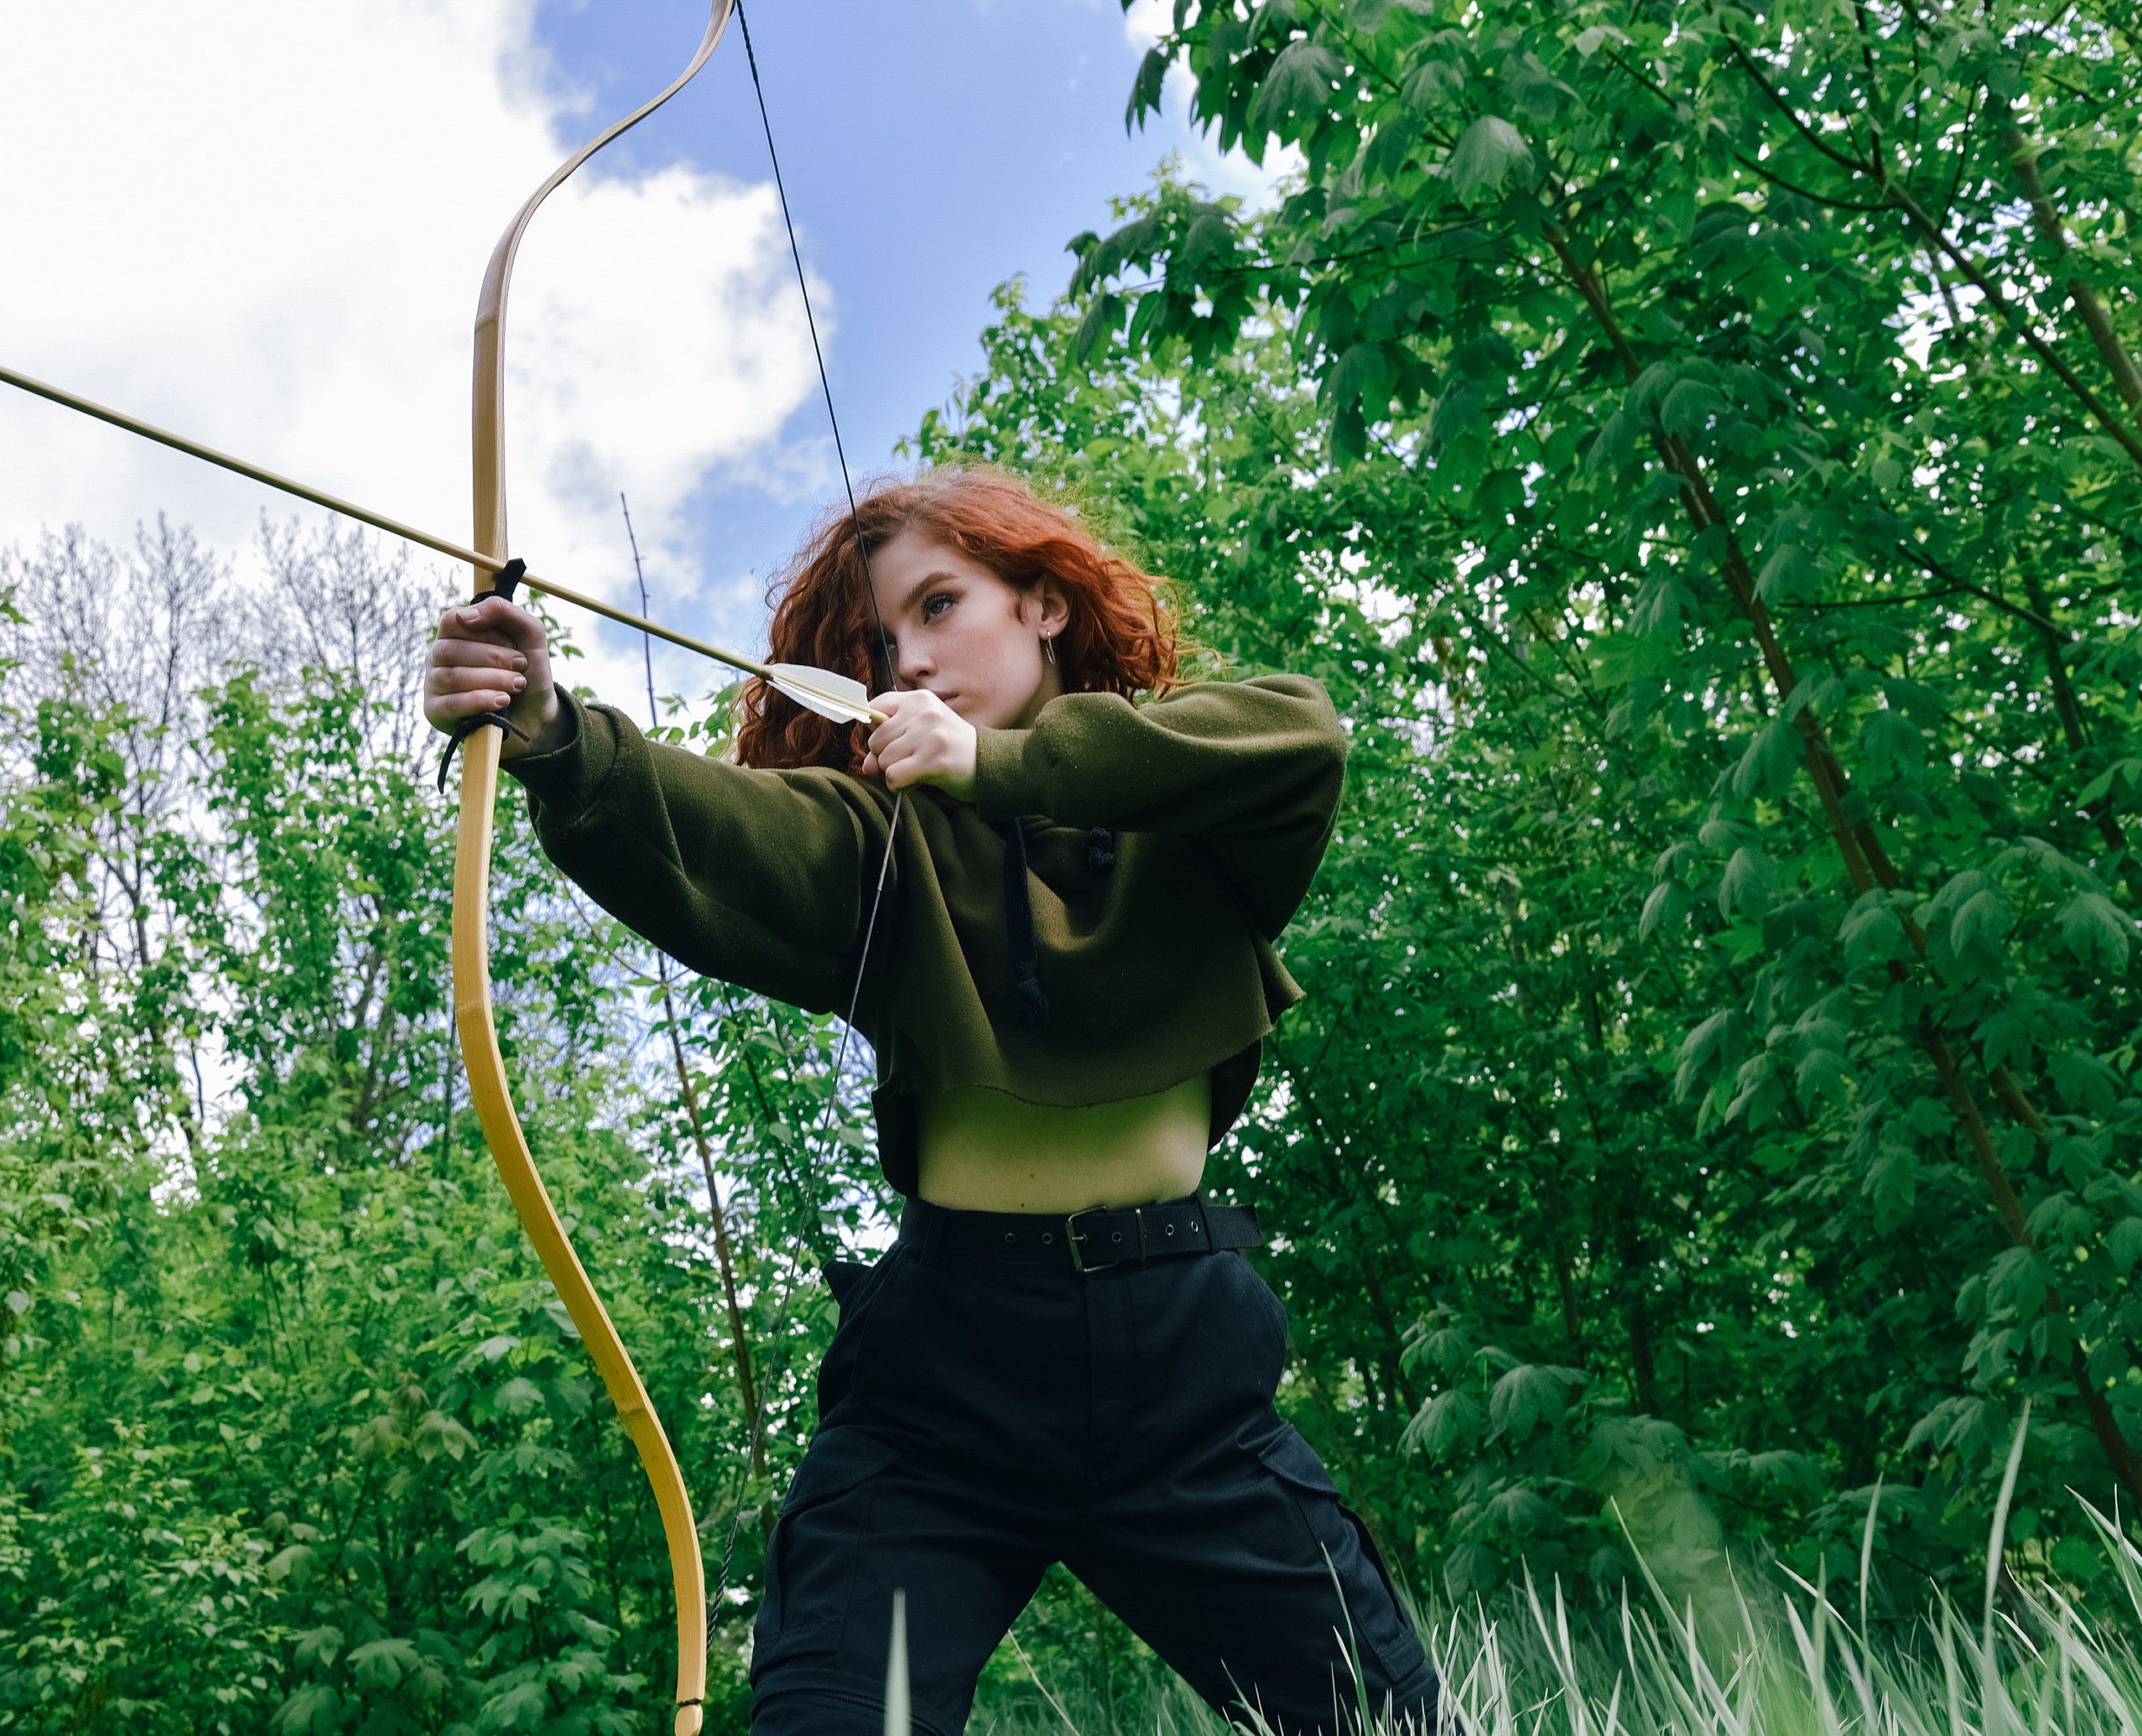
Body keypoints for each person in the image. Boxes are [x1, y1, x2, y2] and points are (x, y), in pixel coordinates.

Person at [423, 467, 1440, 1735]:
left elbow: (1303, 736)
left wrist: (999, 764)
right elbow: (721, 828)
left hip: (1182, 1377)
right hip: (946, 1383)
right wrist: (554, 733)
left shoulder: (1191, 799)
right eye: (882, 642)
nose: (909, 659)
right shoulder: (884, 837)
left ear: (1044, 604)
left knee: (1386, 1724)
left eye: (939, 604)